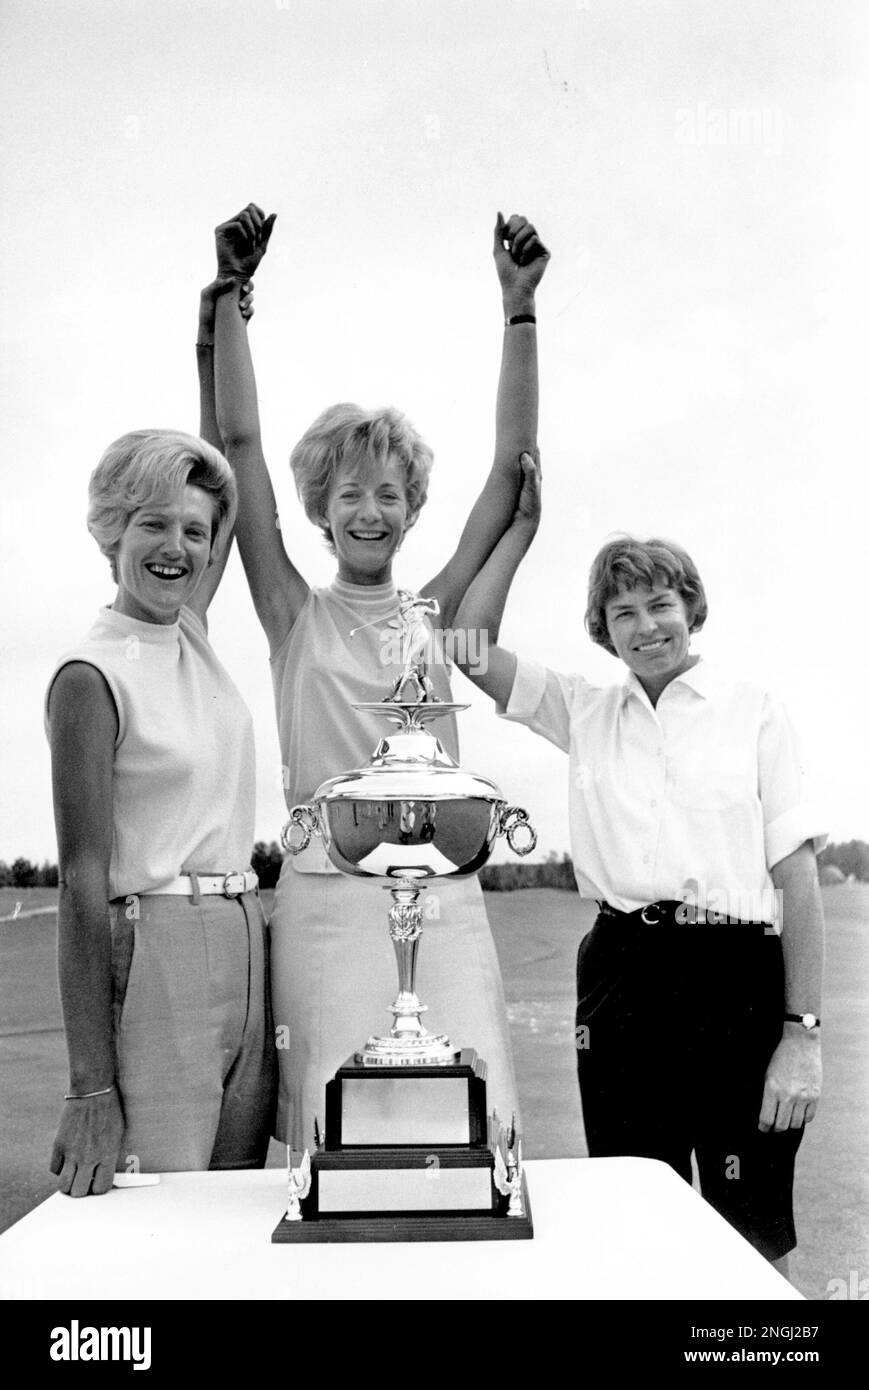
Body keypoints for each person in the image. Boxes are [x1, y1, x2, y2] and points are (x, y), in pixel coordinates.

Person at [210, 203, 549, 1150]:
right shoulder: (290, 610)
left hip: (442, 895)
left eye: (387, 493)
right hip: (321, 902)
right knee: (337, 1141)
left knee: (461, 1129)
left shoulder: (432, 617)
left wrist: (517, 310)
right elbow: (238, 451)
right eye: (348, 493)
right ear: (319, 509)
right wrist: (233, 297)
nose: (369, 510)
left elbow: (508, 471)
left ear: (411, 510)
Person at [453, 456, 825, 1271]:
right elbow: (464, 642)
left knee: (750, 1231)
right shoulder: (585, 710)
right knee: (632, 1221)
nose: (644, 624)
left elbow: (795, 878)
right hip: (621, 974)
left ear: (691, 609)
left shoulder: (753, 712)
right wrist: (519, 532)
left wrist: (801, 1036)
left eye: (659, 603)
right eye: (621, 611)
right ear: (602, 627)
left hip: (735, 979)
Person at [46, 305, 276, 1195]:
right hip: (155, 953)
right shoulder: (89, 675)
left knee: (231, 1208)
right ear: (113, 533)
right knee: (156, 1214)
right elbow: (79, 883)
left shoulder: (194, 633)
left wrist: (216, 325)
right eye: (152, 524)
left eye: (193, 529)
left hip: (247, 939)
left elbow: (222, 460)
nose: (177, 546)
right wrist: (88, 1086)